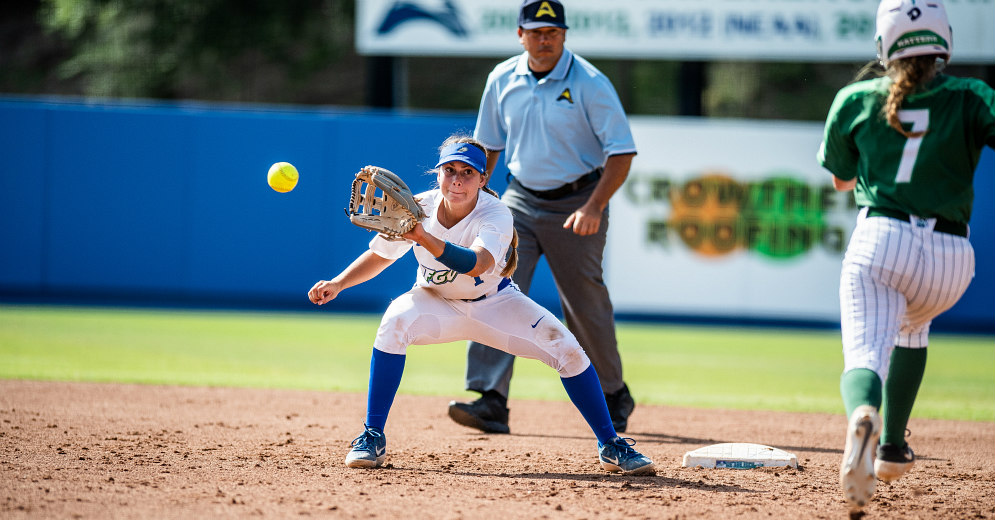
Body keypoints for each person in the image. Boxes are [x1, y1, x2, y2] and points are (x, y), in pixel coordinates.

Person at [308, 135, 656, 475]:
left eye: (467, 172)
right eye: (450, 170)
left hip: (495, 304)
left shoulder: (497, 214)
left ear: (482, 178)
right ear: (438, 172)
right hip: (435, 303)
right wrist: (338, 283)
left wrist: (422, 237)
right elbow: (380, 255)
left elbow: (475, 263)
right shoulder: (419, 206)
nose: (457, 180)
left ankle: (611, 444)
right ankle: (372, 436)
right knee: (393, 323)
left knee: (565, 348)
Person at [817, 0, 995, 511]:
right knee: (913, 330)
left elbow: (840, 178)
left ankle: (863, 416)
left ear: (883, 47)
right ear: (945, 44)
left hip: (883, 241)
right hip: (951, 257)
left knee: (865, 356)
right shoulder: (972, 95)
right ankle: (892, 449)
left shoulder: (856, 98)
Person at [448, 0, 639, 435]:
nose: (544, 39)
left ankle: (612, 393)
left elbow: (622, 152)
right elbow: (487, 148)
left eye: (552, 32)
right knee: (490, 284)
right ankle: (490, 398)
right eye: (535, 32)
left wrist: (594, 206)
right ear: (520, 36)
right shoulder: (502, 79)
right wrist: (476, 200)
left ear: (565, 35)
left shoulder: (590, 82)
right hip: (519, 198)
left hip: (578, 199)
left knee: (583, 300)